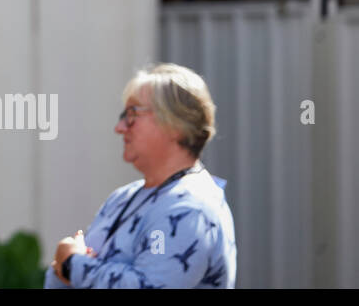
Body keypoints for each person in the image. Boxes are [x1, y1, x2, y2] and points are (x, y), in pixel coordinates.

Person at [45, 63, 236, 289]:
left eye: (132, 114)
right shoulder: (123, 197)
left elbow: (150, 286)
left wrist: (73, 265)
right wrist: (69, 267)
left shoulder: (190, 208)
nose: (120, 127)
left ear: (176, 124)